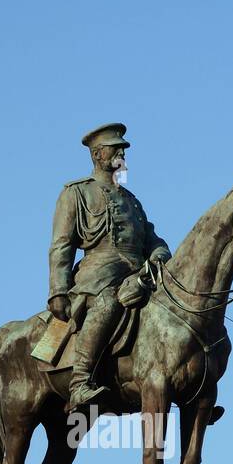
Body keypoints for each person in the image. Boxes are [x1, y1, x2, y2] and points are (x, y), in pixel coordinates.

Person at [47, 122, 171, 409]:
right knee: (108, 303)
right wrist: (58, 291)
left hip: (139, 273)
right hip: (98, 274)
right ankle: (80, 381)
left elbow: (153, 238)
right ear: (97, 155)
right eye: (115, 149)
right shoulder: (76, 193)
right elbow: (62, 245)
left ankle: (190, 386)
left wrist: (159, 256)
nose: (121, 155)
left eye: (123, 150)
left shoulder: (132, 201)